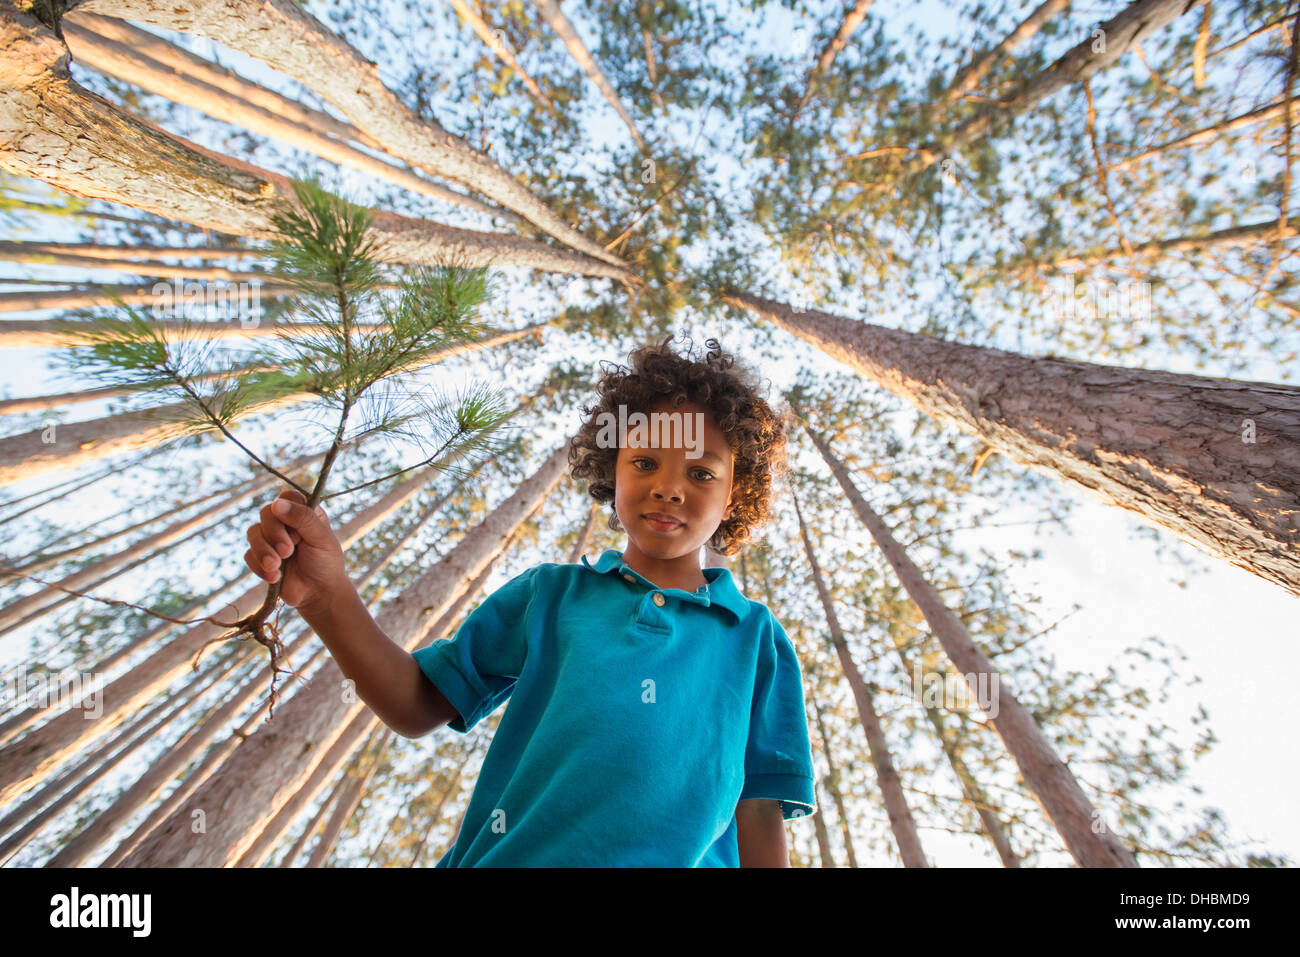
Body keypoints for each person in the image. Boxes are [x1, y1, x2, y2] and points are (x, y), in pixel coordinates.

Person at [243, 335, 816, 866]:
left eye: (700, 472)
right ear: (612, 466)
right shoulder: (550, 596)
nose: (669, 486)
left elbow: (761, 809)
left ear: (735, 493)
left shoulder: (755, 638)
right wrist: (326, 596)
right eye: (645, 462)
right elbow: (416, 705)